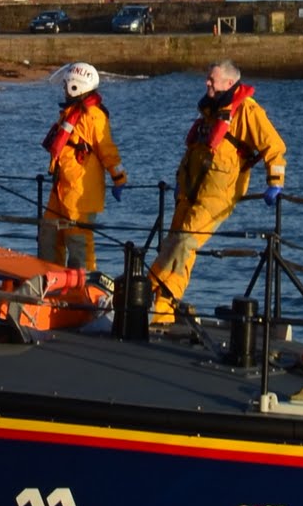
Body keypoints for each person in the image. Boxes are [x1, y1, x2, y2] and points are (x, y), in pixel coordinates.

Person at [150, 59, 287, 325]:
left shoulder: (247, 111)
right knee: (173, 243)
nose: (207, 83)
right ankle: (154, 300)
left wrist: (275, 181)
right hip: (190, 190)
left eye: (211, 79)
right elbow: (195, 149)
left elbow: (275, 146)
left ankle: (154, 295)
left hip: (217, 194)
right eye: (208, 79)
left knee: (186, 242)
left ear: (229, 82)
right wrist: (181, 179)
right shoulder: (211, 112)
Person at [39, 61, 126, 272]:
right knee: (49, 236)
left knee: (79, 243)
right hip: (62, 186)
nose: (64, 88)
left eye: (66, 84)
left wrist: (119, 178)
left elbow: (107, 149)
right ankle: (50, 280)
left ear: (75, 86)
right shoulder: (71, 112)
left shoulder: (93, 116)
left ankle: (85, 287)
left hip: (79, 192)